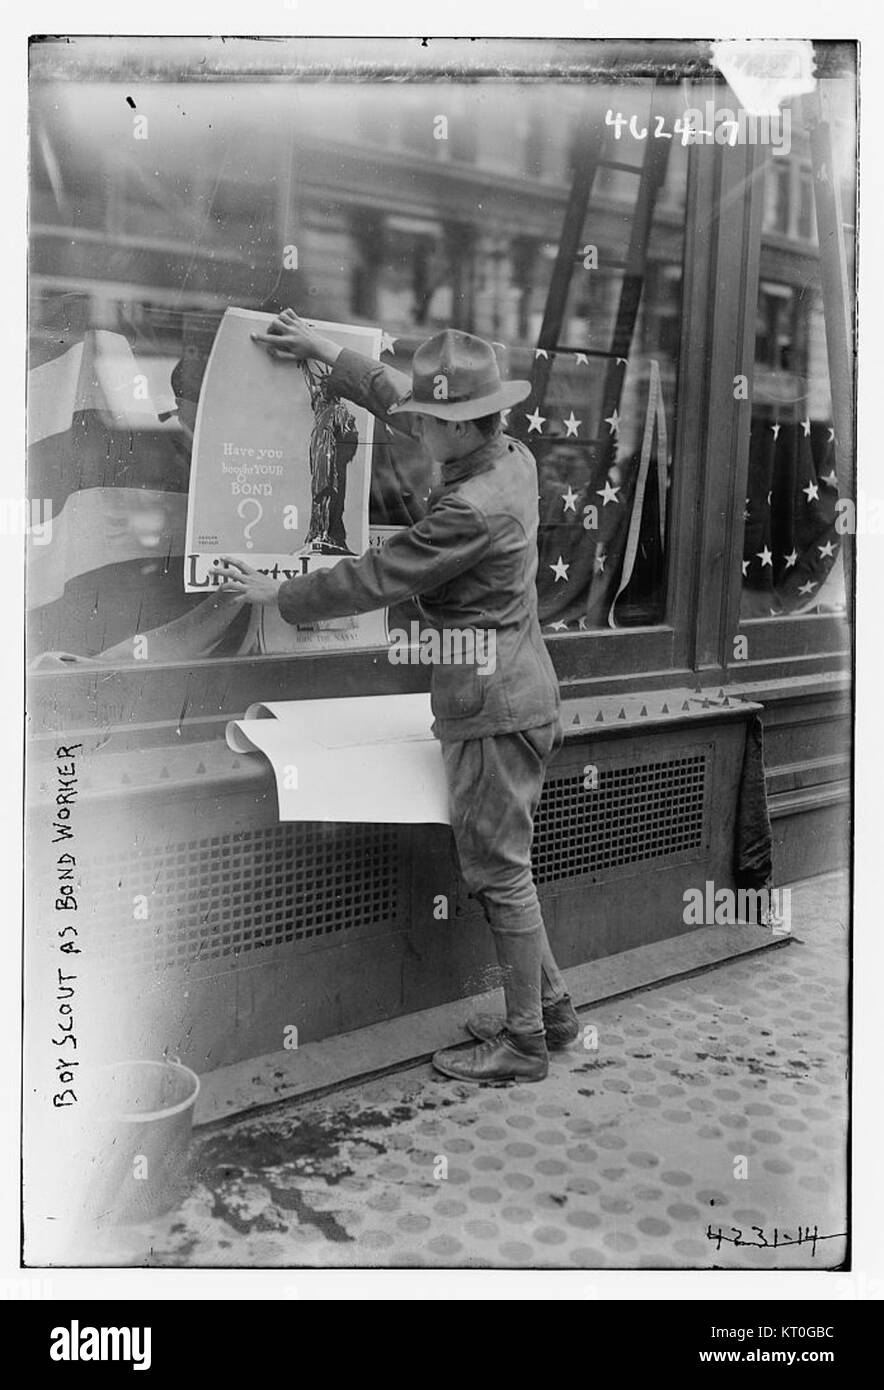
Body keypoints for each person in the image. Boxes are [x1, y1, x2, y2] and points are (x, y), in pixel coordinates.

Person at [216, 308, 580, 1083]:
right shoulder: (508, 455)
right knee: (508, 864)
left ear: (460, 427)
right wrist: (328, 354)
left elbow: (376, 577)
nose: (415, 424)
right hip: (516, 688)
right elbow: (399, 399)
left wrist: (277, 593)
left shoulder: (469, 511)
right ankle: (552, 1015)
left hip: (493, 706)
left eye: (430, 417)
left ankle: (524, 1044)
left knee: (499, 875)